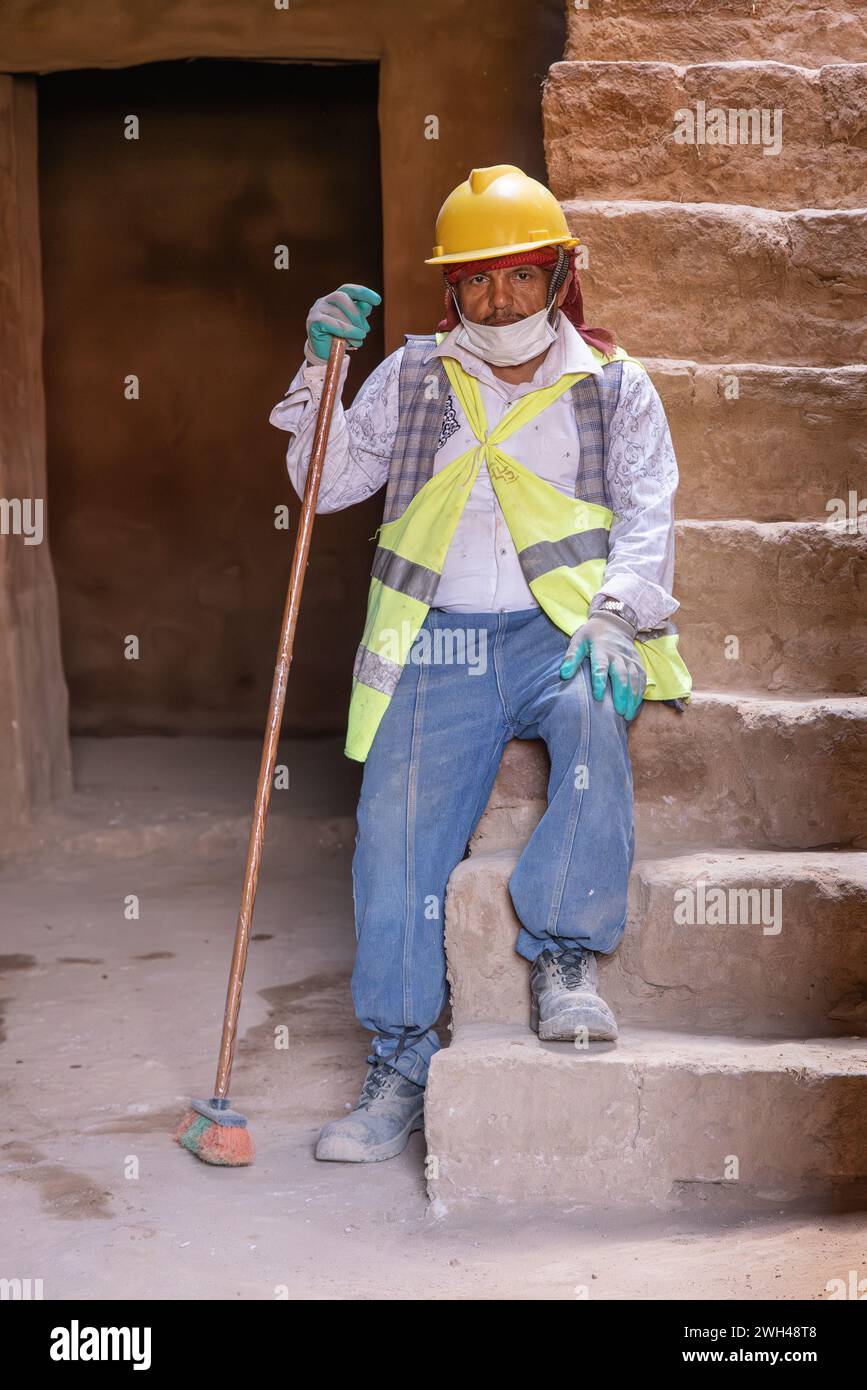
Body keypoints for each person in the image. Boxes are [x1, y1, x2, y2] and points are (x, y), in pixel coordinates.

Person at [269, 164, 691, 1163]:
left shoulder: (615, 386)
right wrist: (318, 367)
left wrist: (615, 620)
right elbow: (324, 483)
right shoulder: (412, 375)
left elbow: (648, 514)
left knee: (594, 717)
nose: (496, 302)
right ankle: (401, 1058)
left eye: (517, 277)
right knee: (393, 829)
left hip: (564, 629)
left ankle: (566, 960)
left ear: (559, 276)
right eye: (475, 282)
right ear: (449, 289)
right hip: (439, 634)